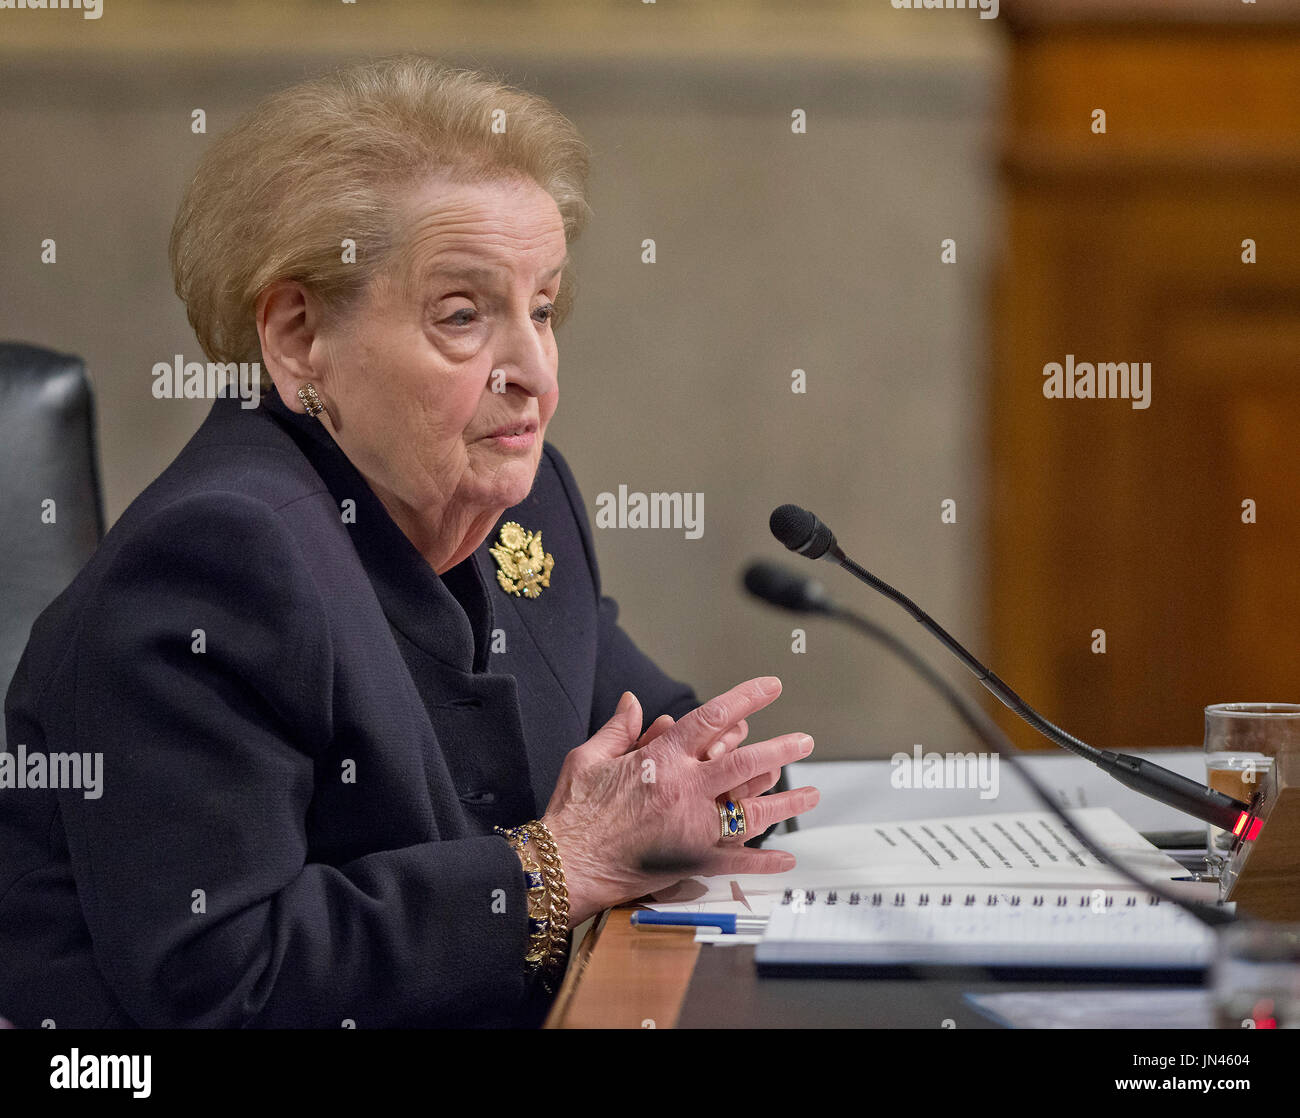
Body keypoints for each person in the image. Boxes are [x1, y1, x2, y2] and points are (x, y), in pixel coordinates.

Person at [0, 55, 818, 1028]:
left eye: (544, 308)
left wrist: (720, 795)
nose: (533, 372)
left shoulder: (519, 499)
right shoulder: (217, 559)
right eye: (463, 315)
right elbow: (222, 980)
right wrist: (559, 865)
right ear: (300, 338)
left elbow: (660, 743)